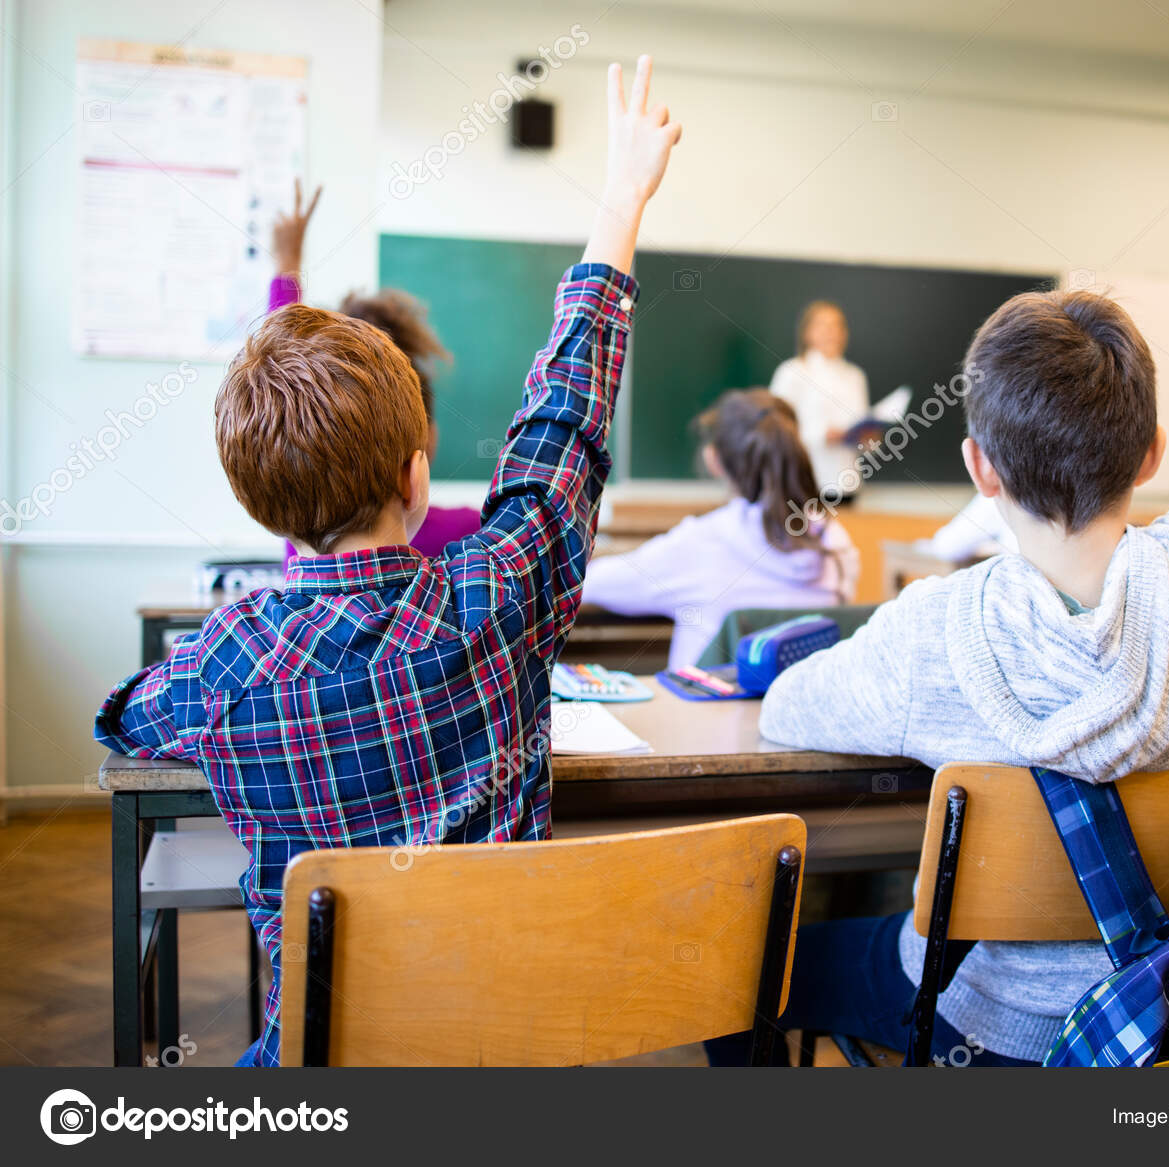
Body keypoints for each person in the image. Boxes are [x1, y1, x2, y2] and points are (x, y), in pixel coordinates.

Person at [718, 5, 1169, 1066]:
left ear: (977, 466)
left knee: (742, 955)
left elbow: (787, 712)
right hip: (1164, 1009)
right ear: (1151, 452)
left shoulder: (932, 631)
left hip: (985, 1024)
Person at [94, 57, 682, 1066]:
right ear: (420, 479)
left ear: (256, 500)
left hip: (322, 1058)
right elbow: (565, 423)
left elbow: (123, 717)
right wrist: (622, 197)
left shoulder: (221, 669)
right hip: (504, 1049)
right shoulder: (499, 593)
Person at [269, 180, 480, 559]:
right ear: (426, 445)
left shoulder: (300, 530)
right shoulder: (465, 534)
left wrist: (287, 266)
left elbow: (281, 374)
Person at [582, 389, 860, 668]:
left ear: (713, 459)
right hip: (798, 709)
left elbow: (591, 583)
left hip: (703, 708)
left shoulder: (700, 543)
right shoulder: (836, 543)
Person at [769, 301, 872, 504]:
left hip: (846, 485)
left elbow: (862, 434)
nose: (832, 332)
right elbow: (775, 427)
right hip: (805, 484)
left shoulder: (855, 375)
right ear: (807, 332)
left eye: (838, 326)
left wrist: (868, 439)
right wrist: (821, 435)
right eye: (824, 326)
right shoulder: (792, 372)